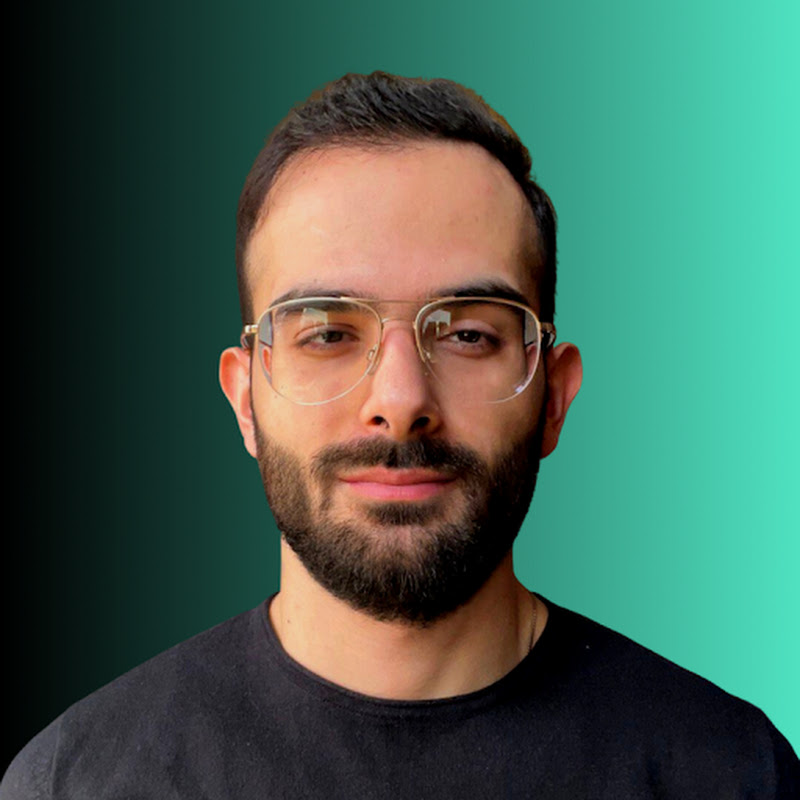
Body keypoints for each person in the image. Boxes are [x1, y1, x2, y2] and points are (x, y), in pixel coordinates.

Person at [3, 71, 797, 799]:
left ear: (554, 396)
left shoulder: (732, 775)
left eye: (468, 334)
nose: (400, 401)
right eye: (326, 332)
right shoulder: (74, 783)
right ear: (245, 399)